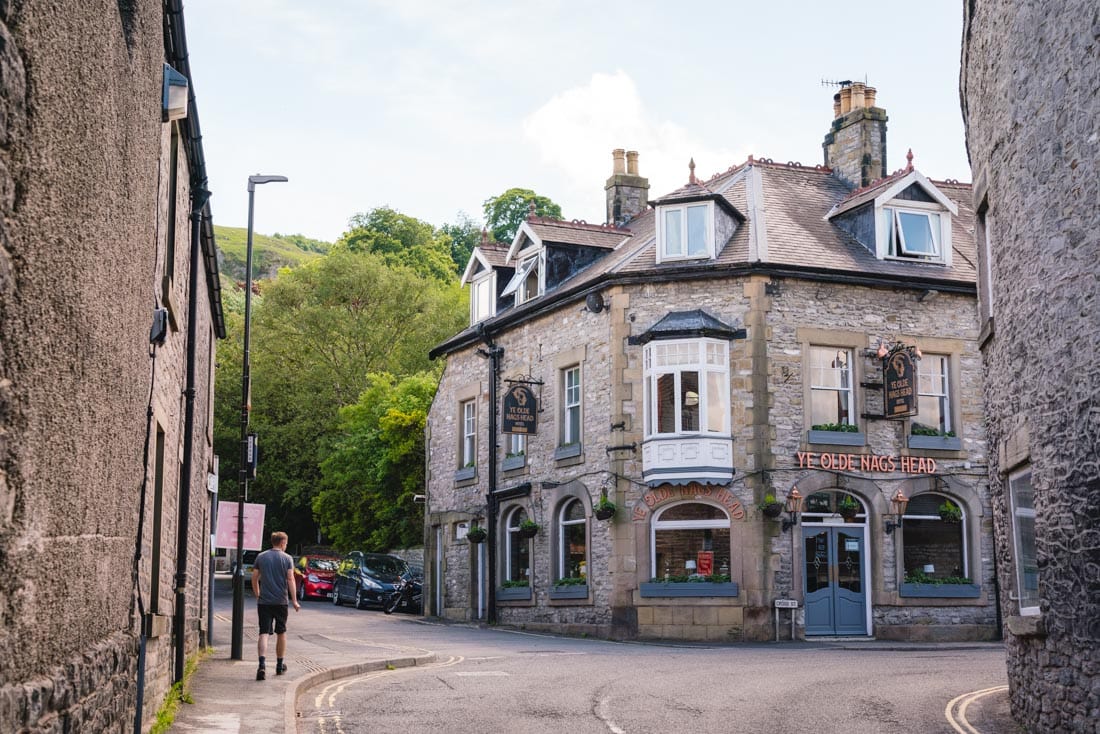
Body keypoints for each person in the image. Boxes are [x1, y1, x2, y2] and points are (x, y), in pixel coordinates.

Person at [250, 531, 300, 681]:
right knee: (281, 632)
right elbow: (290, 579)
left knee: (263, 633)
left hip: (264, 602)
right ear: (283, 542)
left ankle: (262, 665)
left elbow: (254, 578)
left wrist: (258, 594)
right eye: (286, 543)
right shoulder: (287, 558)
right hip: (280, 602)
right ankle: (279, 665)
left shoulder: (261, 557)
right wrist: (295, 600)